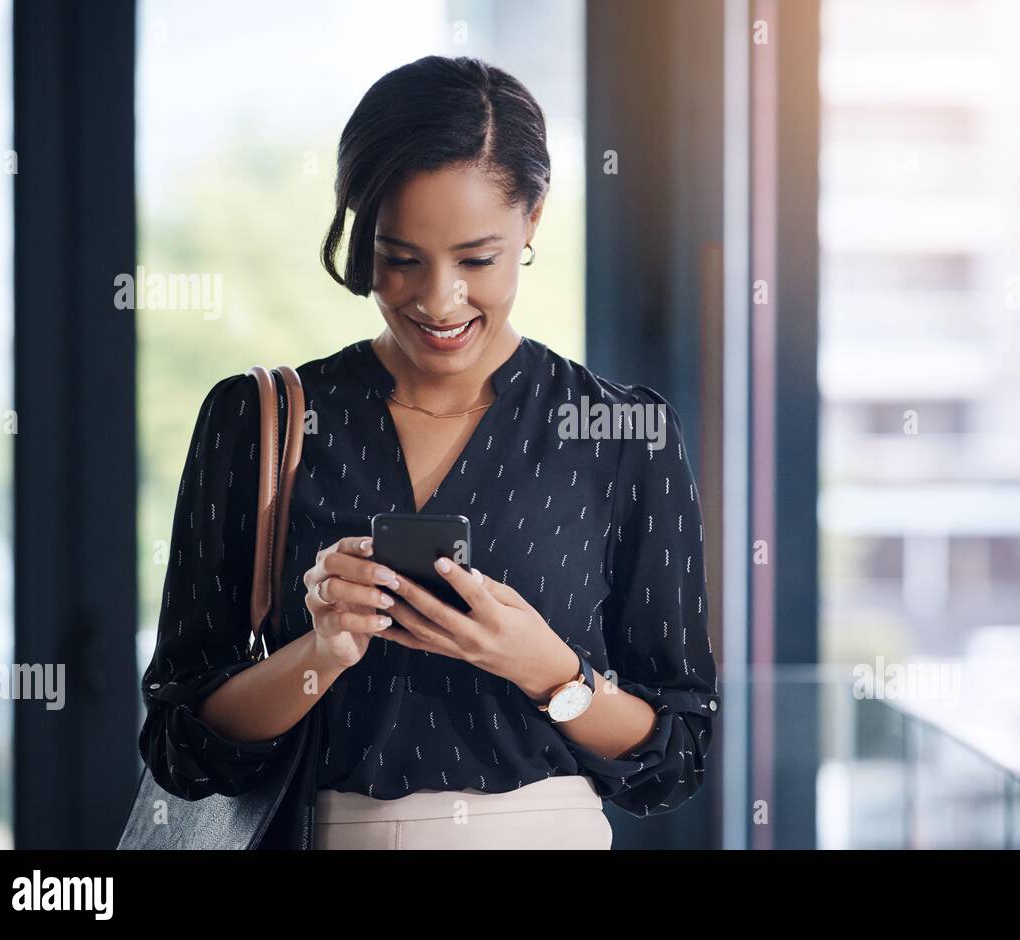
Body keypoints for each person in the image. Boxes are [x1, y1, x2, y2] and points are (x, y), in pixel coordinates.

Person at [137, 54, 720, 850]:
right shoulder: (257, 421)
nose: (438, 301)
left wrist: (551, 672)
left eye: (477, 260)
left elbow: (677, 757)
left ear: (534, 221)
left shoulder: (624, 435)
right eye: (398, 258)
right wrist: (320, 653)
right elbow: (181, 746)